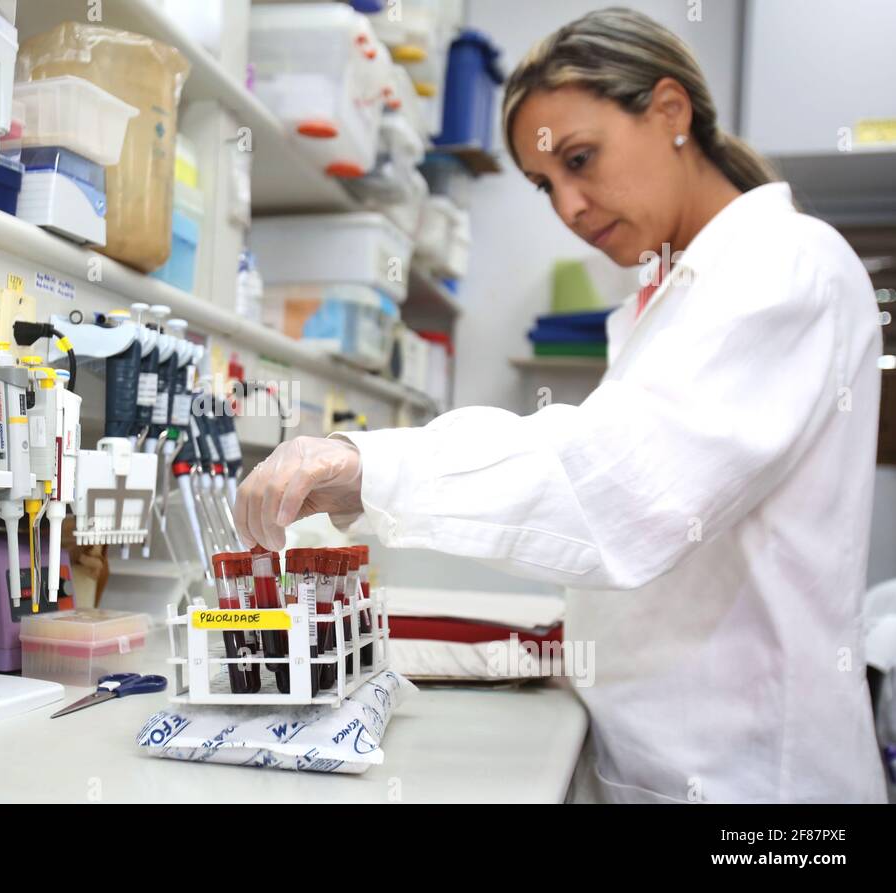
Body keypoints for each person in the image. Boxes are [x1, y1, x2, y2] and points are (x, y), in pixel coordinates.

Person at [233, 7, 886, 803]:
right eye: (547, 185)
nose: (571, 207)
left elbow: (619, 483)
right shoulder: (669, 296)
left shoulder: (784, 267)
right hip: (665, 763)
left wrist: (372, 465)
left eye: (582, 159)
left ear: (671, 112)